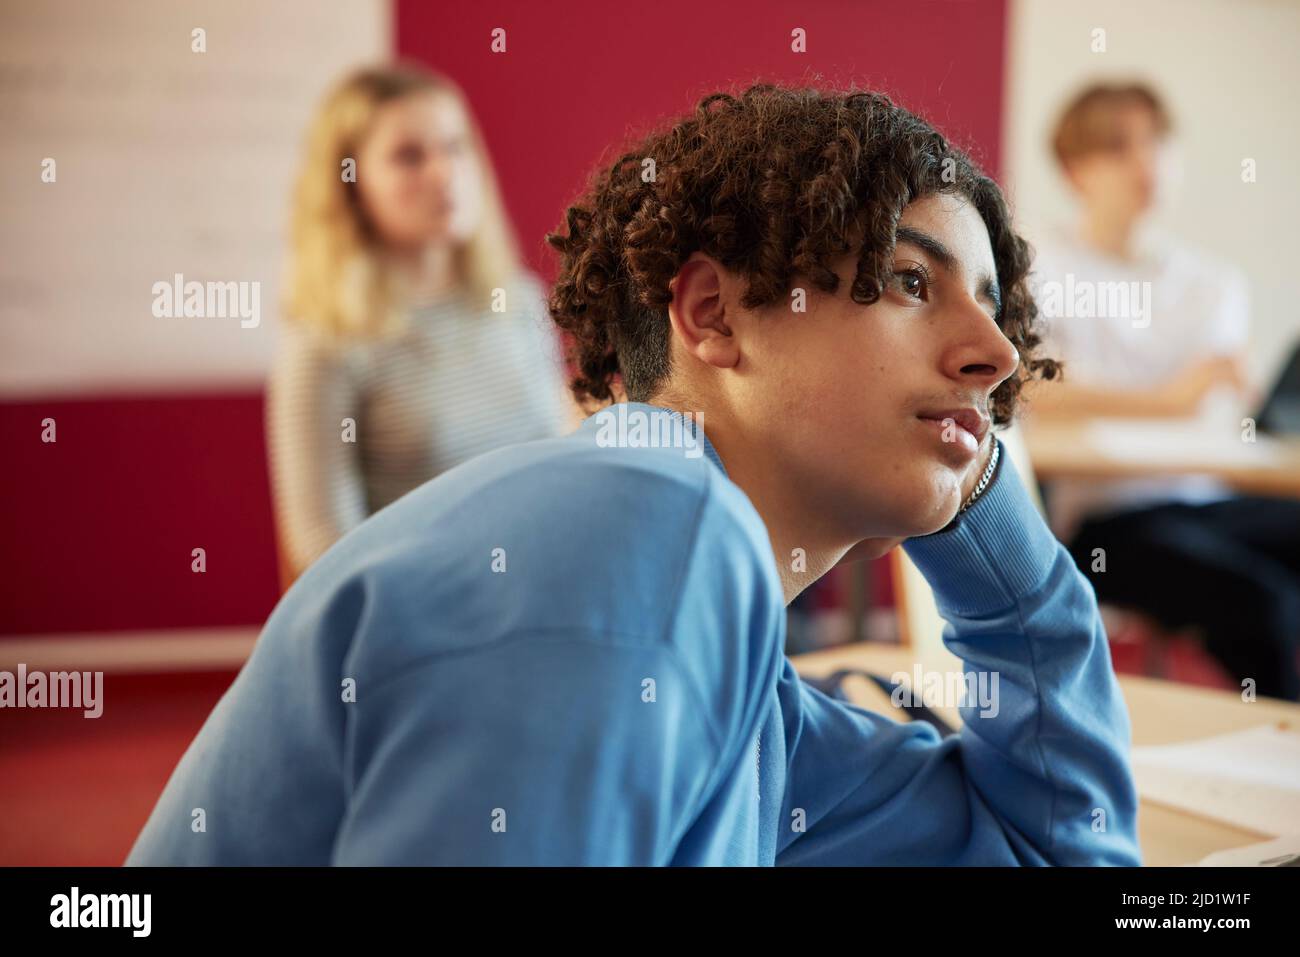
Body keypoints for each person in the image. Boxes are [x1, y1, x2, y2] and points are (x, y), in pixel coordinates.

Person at [127, 85, 1140, 866]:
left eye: (992, 306)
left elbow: (1054, 852)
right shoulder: (645, 530)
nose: (996, 356)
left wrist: (984, 511)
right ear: (710, 316)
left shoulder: (745, 696)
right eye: (910, 282)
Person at [1029, 82, 1300, 700]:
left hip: (1209, 498)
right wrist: (1169, 401)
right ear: (1076, 170)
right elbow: (1028, 383)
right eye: (1119, 147)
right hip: (1107, 521)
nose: (1145, 162)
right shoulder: (1039, 265)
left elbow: (1229, 402)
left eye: (1156, 143)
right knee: (1263, 605)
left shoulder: (1211, 281)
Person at [267, 64, 576, 583]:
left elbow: (557, 451)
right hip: (426, 621)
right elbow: (322, 550)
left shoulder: (518, 300)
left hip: (548, 587)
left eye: (455, 147)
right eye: (409, 157)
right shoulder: (325, 344)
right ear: (350, 185)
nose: (444, 172)